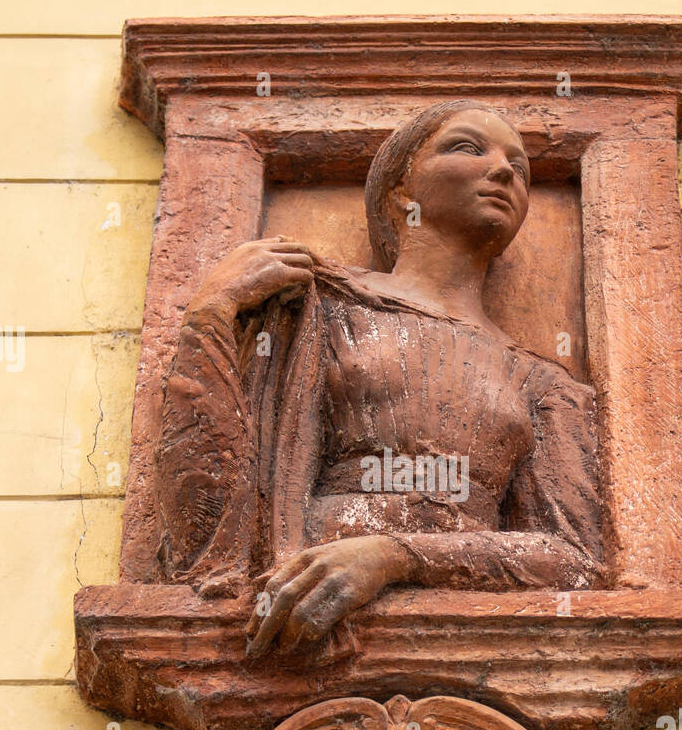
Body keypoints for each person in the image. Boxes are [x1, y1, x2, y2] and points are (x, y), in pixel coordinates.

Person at [156, 100, 606, 658]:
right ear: (400, 192)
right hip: (305, 605)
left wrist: (391, 557)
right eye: (468, 147)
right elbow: (209, 513)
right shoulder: (314, 308)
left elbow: (573, 561)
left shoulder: (545, 383)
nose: (504, 170)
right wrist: (211, 315)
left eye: (521, 166)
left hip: (468, 637)